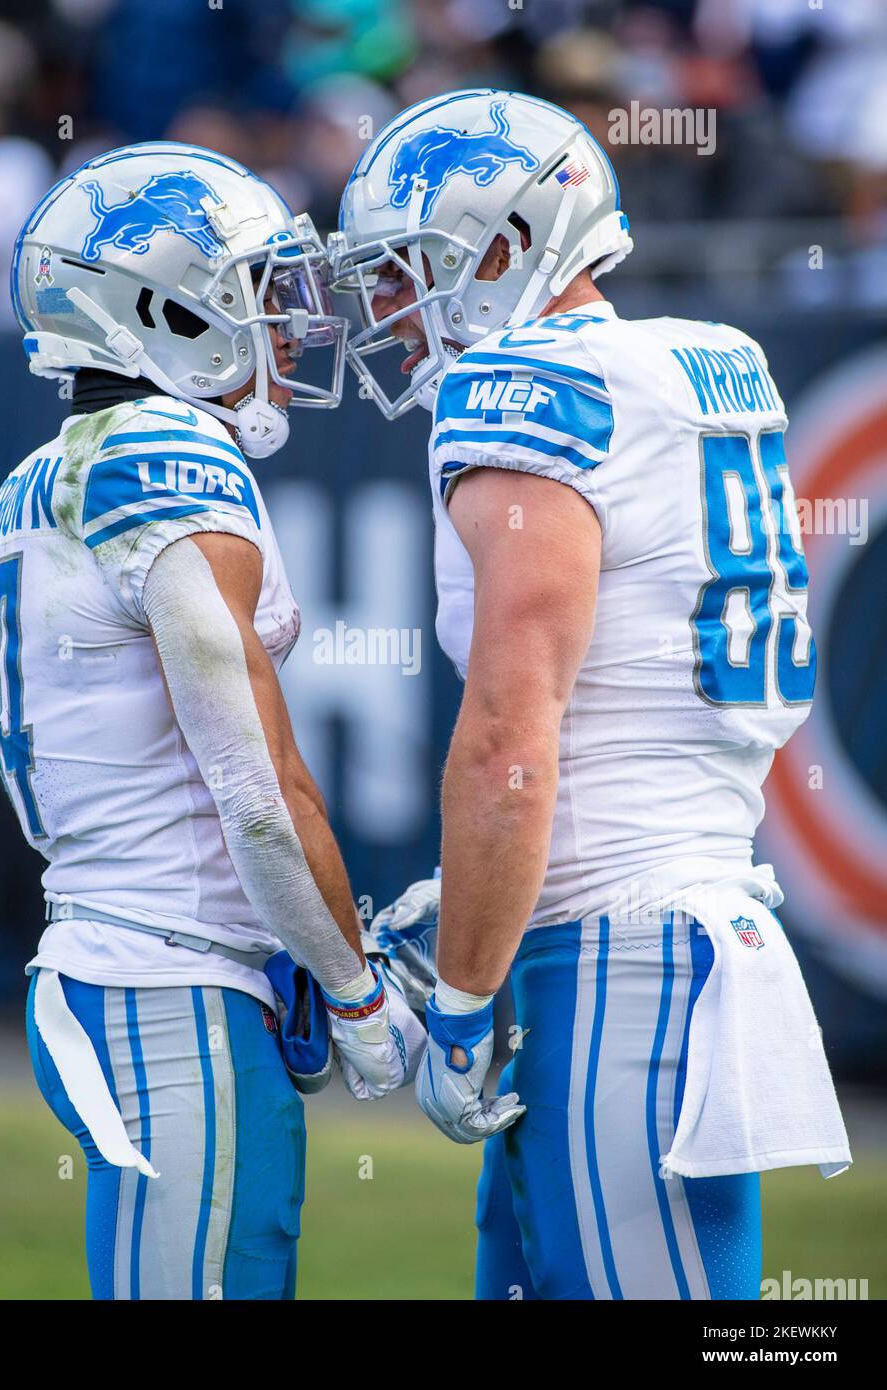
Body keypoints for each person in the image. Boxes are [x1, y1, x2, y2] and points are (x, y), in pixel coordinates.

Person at [331, 89, 851, 1300]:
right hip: (665, 920)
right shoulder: (705, 363)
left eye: (411, 272)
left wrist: (459, 999)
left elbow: (512, 738)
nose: (392, 312)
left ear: (507, 248)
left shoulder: (528, 388)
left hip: (612, 955)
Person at [0, 142, 422, 1301]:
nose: (287, 324)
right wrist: (361, 993)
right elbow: (258, 791)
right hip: (167, 980)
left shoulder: (44, 472)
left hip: (122, 956)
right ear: (163, 308)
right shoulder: (163, 457)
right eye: (256, 291)